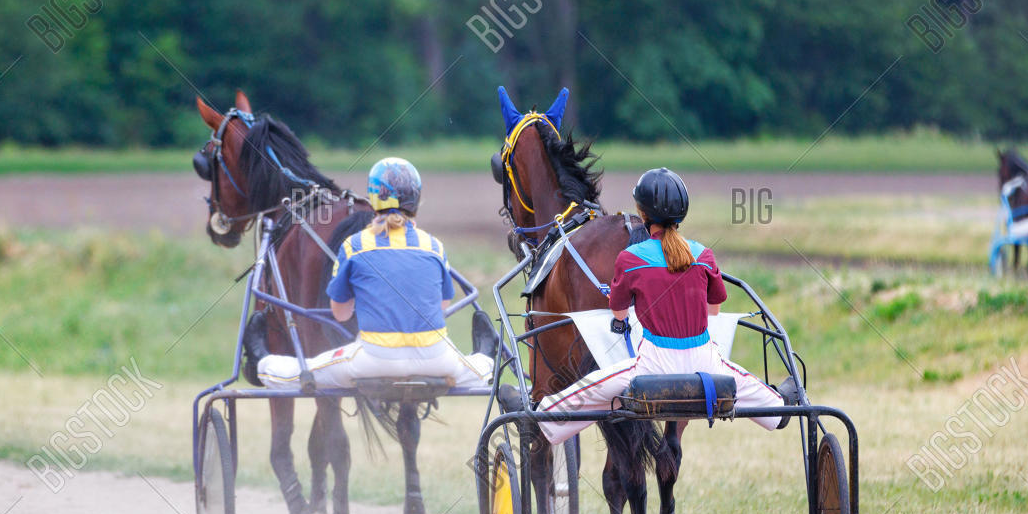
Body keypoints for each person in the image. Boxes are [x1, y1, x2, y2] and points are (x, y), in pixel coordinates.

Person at [532, 167, 793, 445]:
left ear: (642, 214)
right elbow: (713, 309)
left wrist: (623, 317)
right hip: (705, 365)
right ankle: (780, 410)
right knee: (745, 382)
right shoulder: (703, 254)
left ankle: (544, 417)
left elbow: (619, 313)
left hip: (653, 366)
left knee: (593, 388)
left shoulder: (630, 258)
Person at [250, 157, 496, 391]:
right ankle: (487, 354)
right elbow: (442, 305)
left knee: (304, 372)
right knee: (481, 369)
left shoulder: (355, 245)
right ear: (416, 198)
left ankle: (260, 360)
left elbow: (341, 313)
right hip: (435, 357)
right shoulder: (433, 245)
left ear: (374, 198)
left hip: (374, 359)